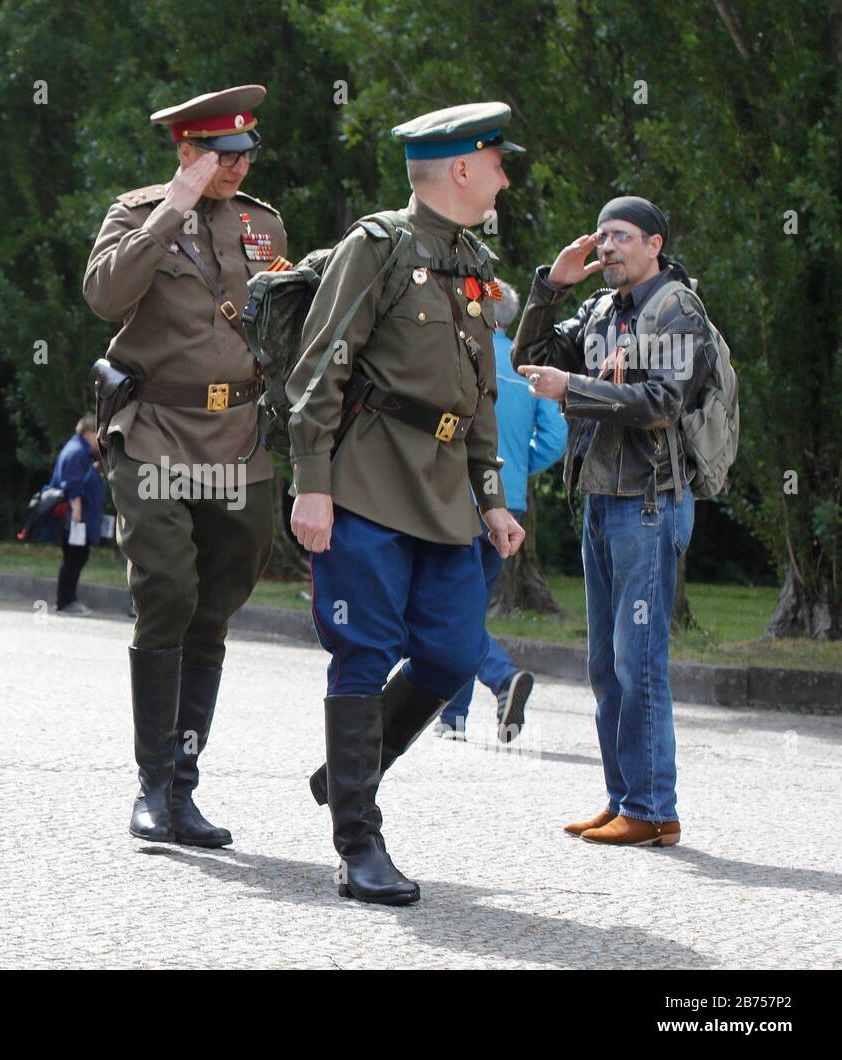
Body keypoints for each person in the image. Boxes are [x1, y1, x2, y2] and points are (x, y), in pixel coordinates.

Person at [289, 102, 527, 905]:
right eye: (498, 161)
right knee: (363, 653)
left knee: (454, 655)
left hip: (445, 495)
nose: (505, 174)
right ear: (461, 169)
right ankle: (359, 841)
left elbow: (481, 395)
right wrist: (311, 482)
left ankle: (346, 774)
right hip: (366, 483)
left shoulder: (472, 261)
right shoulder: (378, 246)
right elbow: (320, 368)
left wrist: (491, 495)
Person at [83, 85, 288, 848]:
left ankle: (186, 787)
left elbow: (283, 318)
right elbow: (105, 297)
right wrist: (174, 206)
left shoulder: (263, 224)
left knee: (214, 611)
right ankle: (153, 785)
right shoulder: (134, 216)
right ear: (186, 152)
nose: (234, 166)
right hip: (157, 431)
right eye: (218, 154)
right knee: (166, 591)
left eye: (243, 153)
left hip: (238, 438)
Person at [512, 195, 715, 848]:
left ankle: (655, 810)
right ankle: (624, 798)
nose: (607, 247)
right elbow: (531, 356)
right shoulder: (602, 308)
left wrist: (571, 389)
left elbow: (661, 402)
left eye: (621, 236)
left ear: (655, 244)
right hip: (602, 501)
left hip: (650, 505)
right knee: (605, 663)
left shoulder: (676, 308)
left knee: (638, 659)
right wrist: (552, 286)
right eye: (600, 237)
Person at [436, 278, 567, 742]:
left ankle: (498, 678)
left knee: (446, 607)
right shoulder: (525, 367)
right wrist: (518, 468)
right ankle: (453, 716)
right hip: (509, 501)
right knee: (467, 607)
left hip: (460, 496)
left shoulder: (458, 355)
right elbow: (555, 436)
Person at [50, 414, 107, 615]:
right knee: (75, 558)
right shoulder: (77, 452)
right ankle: (66, 602)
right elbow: (72, 484)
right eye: (98, 434)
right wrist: (77, 514)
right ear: (89, 432)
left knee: (75, 558)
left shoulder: (77, 450)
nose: (100, 439)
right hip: (75, 518)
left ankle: (67, 600)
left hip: (77, 517)